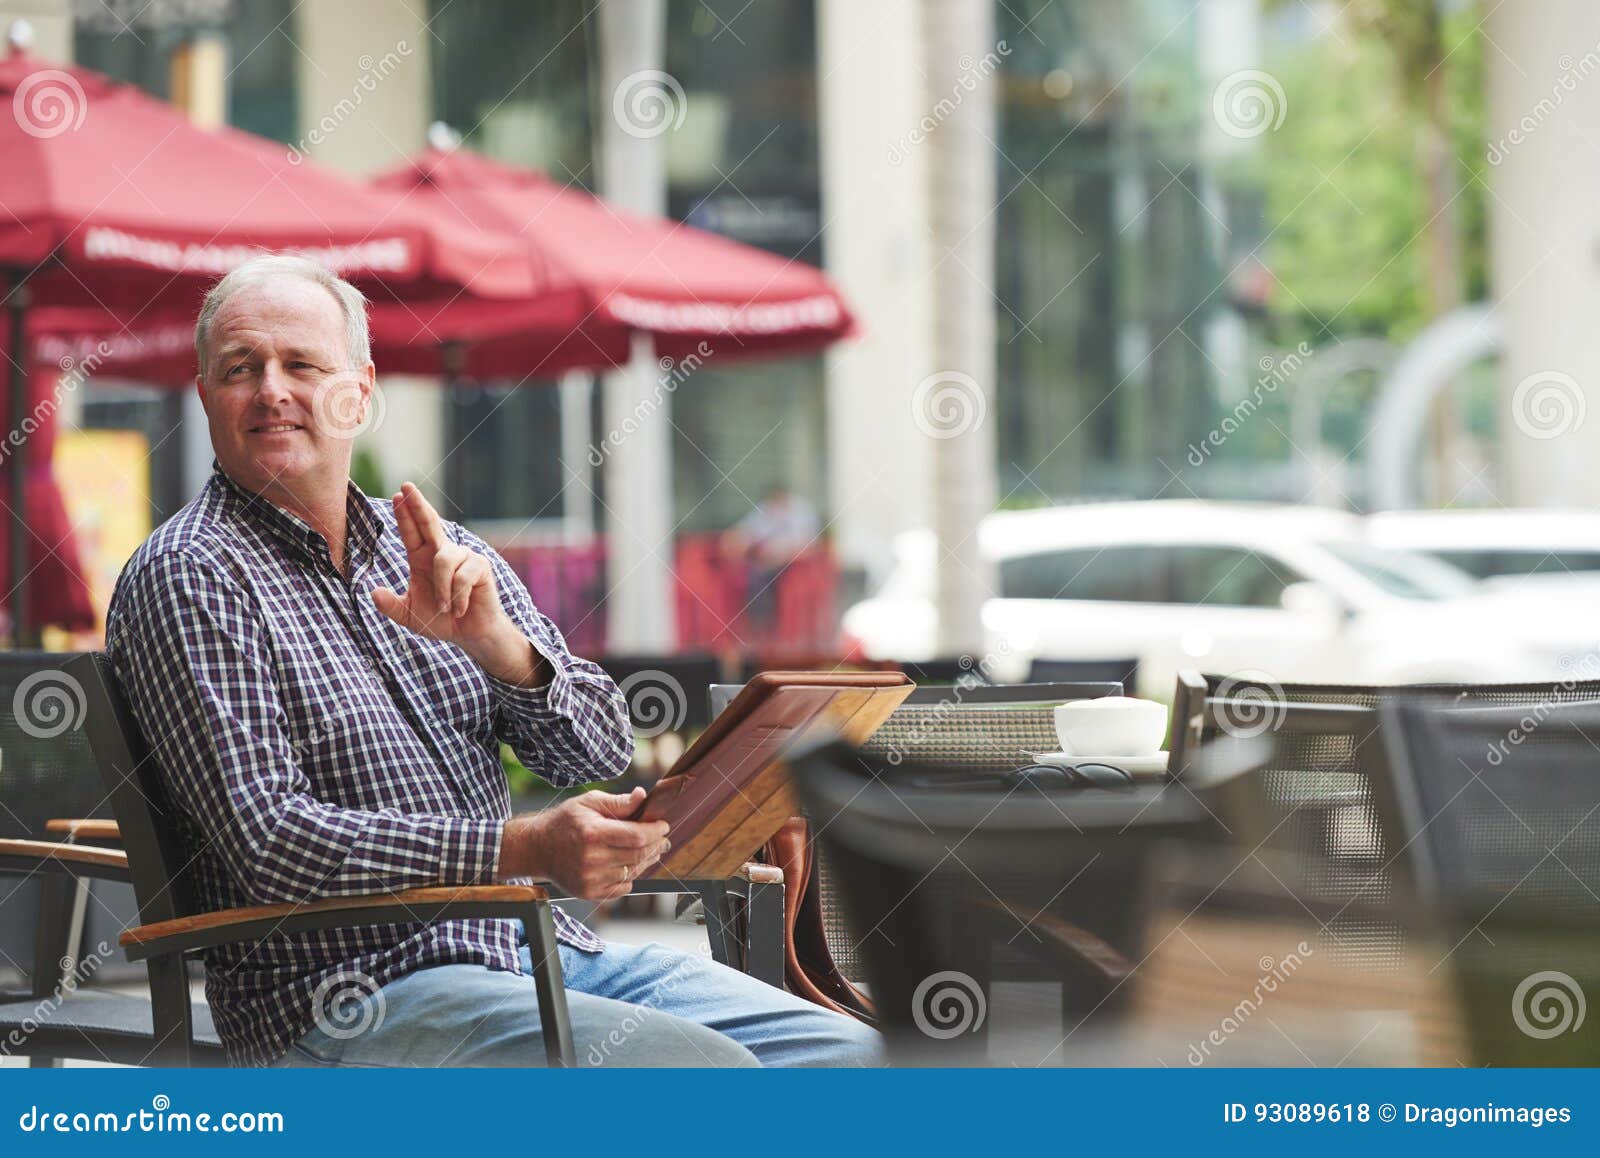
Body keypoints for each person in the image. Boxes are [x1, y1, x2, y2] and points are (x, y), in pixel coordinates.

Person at [105, 254, 882, 1069]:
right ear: (204, 397)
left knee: (855, 1059)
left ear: (359, 392)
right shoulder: (190, 572)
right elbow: (268, 839)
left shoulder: (441, 551)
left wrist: (500, 650)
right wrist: (524, 849)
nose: (271, 390)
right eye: (240, 369)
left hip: (539, 953)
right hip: (345, 996)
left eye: (301, 364)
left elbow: (601, 749)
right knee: (694, 1072)